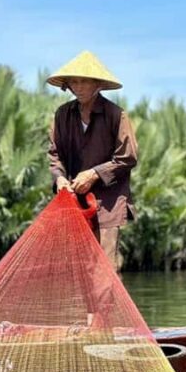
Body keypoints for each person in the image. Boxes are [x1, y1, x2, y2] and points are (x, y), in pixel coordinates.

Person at [46, 51, 138, 270]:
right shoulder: (63, 115)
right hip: (76, 200)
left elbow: (128, 157)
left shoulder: (115, 115)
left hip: (109, 201)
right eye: (74, 82)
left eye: (84, 81)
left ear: (97, 84)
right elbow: (54, 154)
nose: (78, 87)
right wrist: (59, 179)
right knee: (80, 267)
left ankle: (106, 305)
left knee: (105, 268)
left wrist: (94, 173)